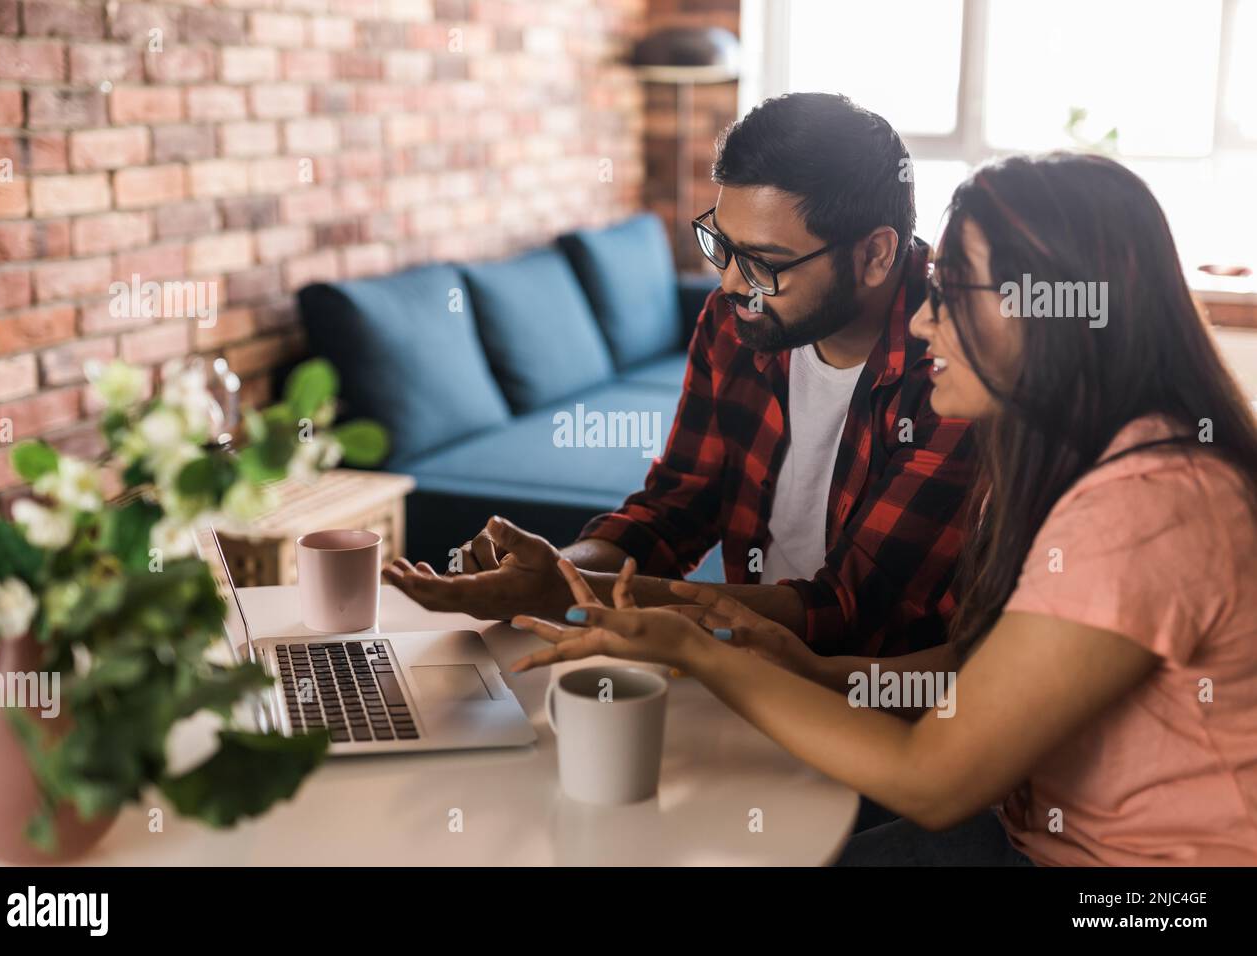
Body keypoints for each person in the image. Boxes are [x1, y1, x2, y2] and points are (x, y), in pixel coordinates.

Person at [507, 152, 1257, 866]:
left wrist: (696, 648)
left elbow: (931, 781)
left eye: (955, 296)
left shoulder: (1150, 504)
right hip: (1027, 834)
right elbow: (981, 672)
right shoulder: (1089, 457)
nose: (927, 323)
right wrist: (817, 670)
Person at [387, 93, 975, 659]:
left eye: (764, 264)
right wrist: (550, 567)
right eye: (722, 245)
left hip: (870, 699)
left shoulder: (962, 368)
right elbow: (679, 504)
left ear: (875, 255)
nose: (729, 286)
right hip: (741, 661)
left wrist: (567, 589)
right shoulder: (737, 323)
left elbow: (850, 609)